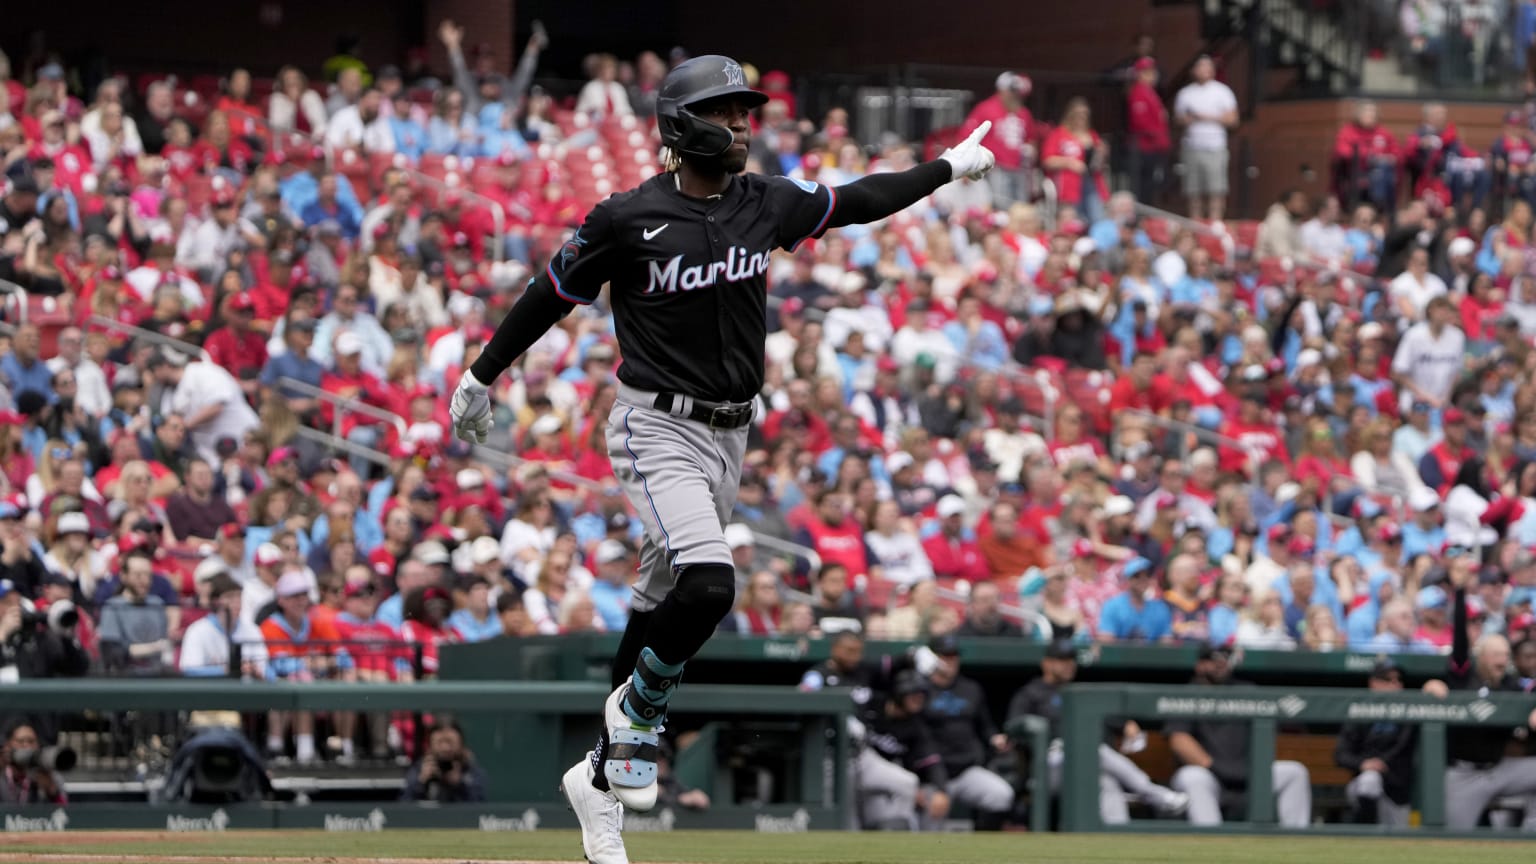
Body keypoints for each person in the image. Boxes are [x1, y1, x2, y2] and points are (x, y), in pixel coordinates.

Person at [447, 54, 995, 864]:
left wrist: (947, 167)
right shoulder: (627, 217)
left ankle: (598, 782)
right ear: (680, 124)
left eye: (745, 112)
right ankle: (636, 723)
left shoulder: (761, 202)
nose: (742, 124)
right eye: (726, 112)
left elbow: (860, 200)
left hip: (731, 432)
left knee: (662, 599)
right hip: (655, 425)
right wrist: (479, 375)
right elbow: (547, 295)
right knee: (710, 582)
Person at [1006, 639, 1188, 824]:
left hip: (1082, 764)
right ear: (1046, 663)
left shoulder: (1080, 693)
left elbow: (1110, 717)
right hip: (1046, 769)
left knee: (1105, 781)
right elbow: (1013, 729)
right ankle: (1152, 793)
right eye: (1061, 660)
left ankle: (1119, 836)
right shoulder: (1029, 694)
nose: (1069, 665)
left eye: (1071, 660)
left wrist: (1126, 725)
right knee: (1094, 751)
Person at [1426, 563, 1536, 828]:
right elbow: (1460, 647)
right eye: (1496, 655)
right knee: (1454, 839)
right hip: (1463, 773)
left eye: (1505, 655)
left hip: (1499, 769)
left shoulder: (1510, 684)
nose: (1502, 660)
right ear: (1483, 657)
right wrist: (1461, 591)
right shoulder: (1465, 676)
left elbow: (1530, 689)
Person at [1167, 644, 1312, 827]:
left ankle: (1296, 841)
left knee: (1294, 773)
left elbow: (1277, 724)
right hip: (1211, 775)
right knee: (1191, 776)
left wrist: (1254, 770)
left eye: (1225, 659)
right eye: (1214, 660)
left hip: (1249, 774)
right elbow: (1179, 740)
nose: (1220, 664)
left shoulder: (1248, 691)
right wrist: (1215, 767)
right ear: (1200, 665)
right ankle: (1211, 840)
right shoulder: (1186, 694)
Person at [918, 635, 1015, 830]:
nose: (951, 661)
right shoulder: (919, 688)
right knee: (930, 829)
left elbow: (985, 725)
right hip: (931, 776)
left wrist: (994, 738)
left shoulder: (970, 688)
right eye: (945, 656)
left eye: (954, 656)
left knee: (1000, 794)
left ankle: (982, 848)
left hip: (965, 770)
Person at [1333, 658, 1417, 826]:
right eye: (1388, 680)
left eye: (1398, 680)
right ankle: (1364, 832)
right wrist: (1364, 763)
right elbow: (1340, 754)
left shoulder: (1411, 711)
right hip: (1364, 785)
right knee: (1370, 780)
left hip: (1397, 790)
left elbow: (1403, 747)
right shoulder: (1359, 713)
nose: (1395, 685)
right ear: (1373, 683)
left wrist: (1382, 762)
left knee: (1399, 842)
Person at [1172, 55, 1238, 221]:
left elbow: (1233, 119)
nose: (1204, 70)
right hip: (1192, 146)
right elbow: (1178, 119)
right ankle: (1196, 221)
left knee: (1216, 188)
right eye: (1200, 66)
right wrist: (1192, 118)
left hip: (1215, 146)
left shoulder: (1222, 91)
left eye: (1207, 66)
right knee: (1193, 189)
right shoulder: (1185, 93)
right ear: (1194, 70)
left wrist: (1207, 117)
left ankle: (1215, 222)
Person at [401, 721, 488, 803]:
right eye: (439, 742)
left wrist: (460, 784)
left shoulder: (470, 770)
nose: (445, 748)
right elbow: (403, 806)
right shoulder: (420, 768)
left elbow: (479, 807)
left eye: (450, 742)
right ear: (430, 746)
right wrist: (420, 783)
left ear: (461, 745)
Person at [0, 723, 66, 804]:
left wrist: (52, 791)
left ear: (38, 745)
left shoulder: (49, 776)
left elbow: (64, 812)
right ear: (8, 745)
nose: (26, 746)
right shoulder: (2, 772)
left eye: (31, 741)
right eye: (20, 741)